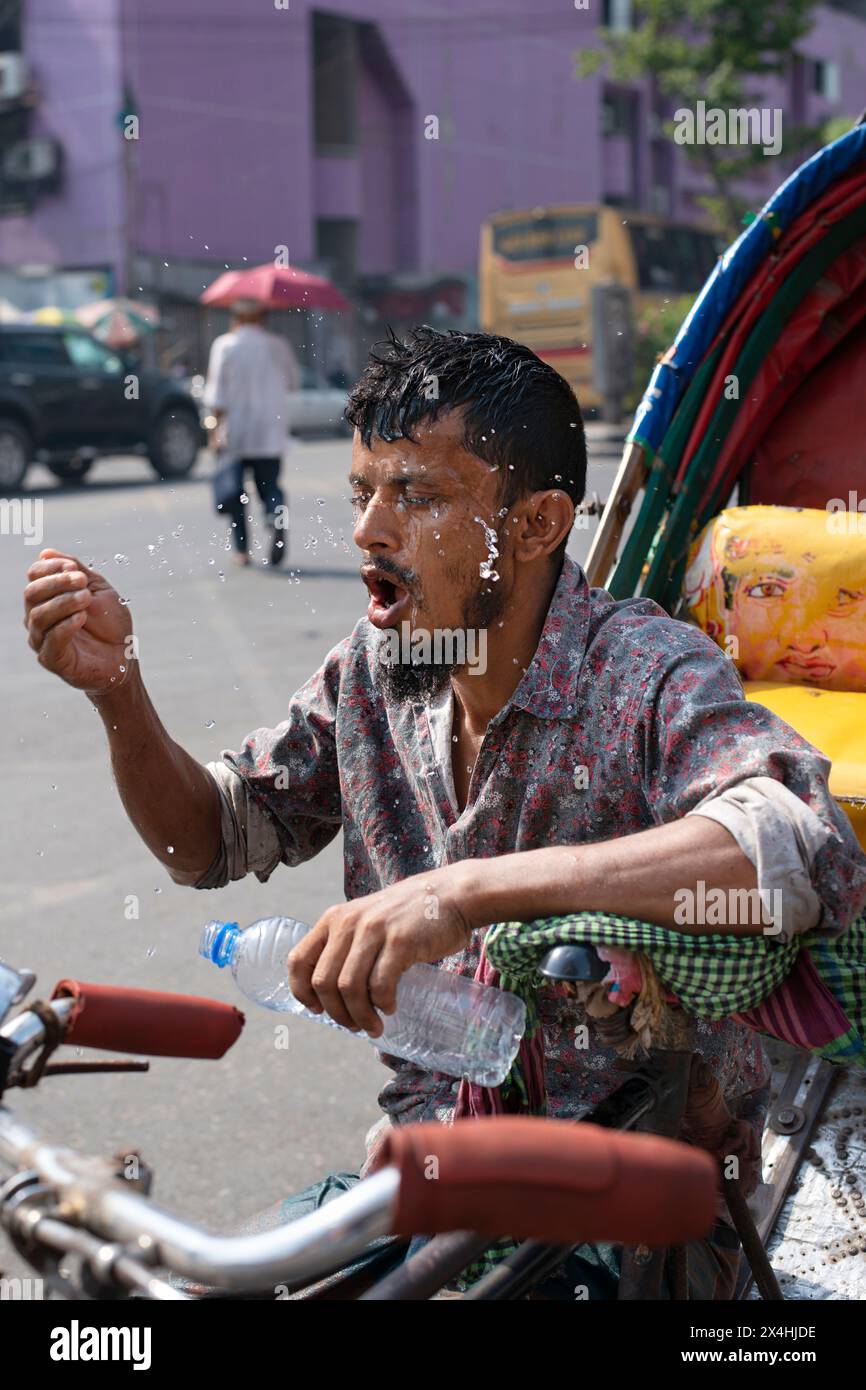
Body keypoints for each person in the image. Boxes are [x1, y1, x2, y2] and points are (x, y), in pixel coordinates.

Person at [22, 327, 866, 1298]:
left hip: (631, 1221)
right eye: (362, 493)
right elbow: (208, 839)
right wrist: (117, 691)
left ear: (538, 523)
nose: (368, 532)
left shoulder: (642, 671)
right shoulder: (376, 667)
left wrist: (462, 893)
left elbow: (796, 842)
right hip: (424, 1183)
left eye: (416, 496)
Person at [203, 298, 300, 567]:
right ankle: (275, 516)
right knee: (271, 487)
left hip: (236, 432)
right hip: (270, 430)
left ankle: (242, 551)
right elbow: (292, 382)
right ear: (262, 318)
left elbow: (216, 395)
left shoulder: (224, 345)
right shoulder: (278, 345)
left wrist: (213, 431)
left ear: (235, 318)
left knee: (235, 492)